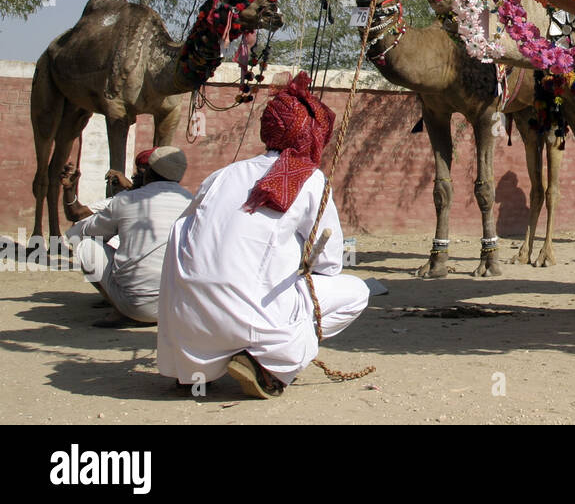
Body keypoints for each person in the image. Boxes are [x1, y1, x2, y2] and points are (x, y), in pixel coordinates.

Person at [157, 72, 369, 399]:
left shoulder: (221, 176)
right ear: (313, 136)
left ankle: (194, 371)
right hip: (251, 321)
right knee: (357, 291)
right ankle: (266, 363)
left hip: (191, 331)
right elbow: (329, 265)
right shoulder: (309, 180)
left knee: (189, 238)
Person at [64, 146, 193, 328]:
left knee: (85, 244)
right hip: (177, 307)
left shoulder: (125, 200)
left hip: (136, 307)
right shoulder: (192, 202)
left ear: (148, 173)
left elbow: (86, 228)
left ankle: (120, 311)